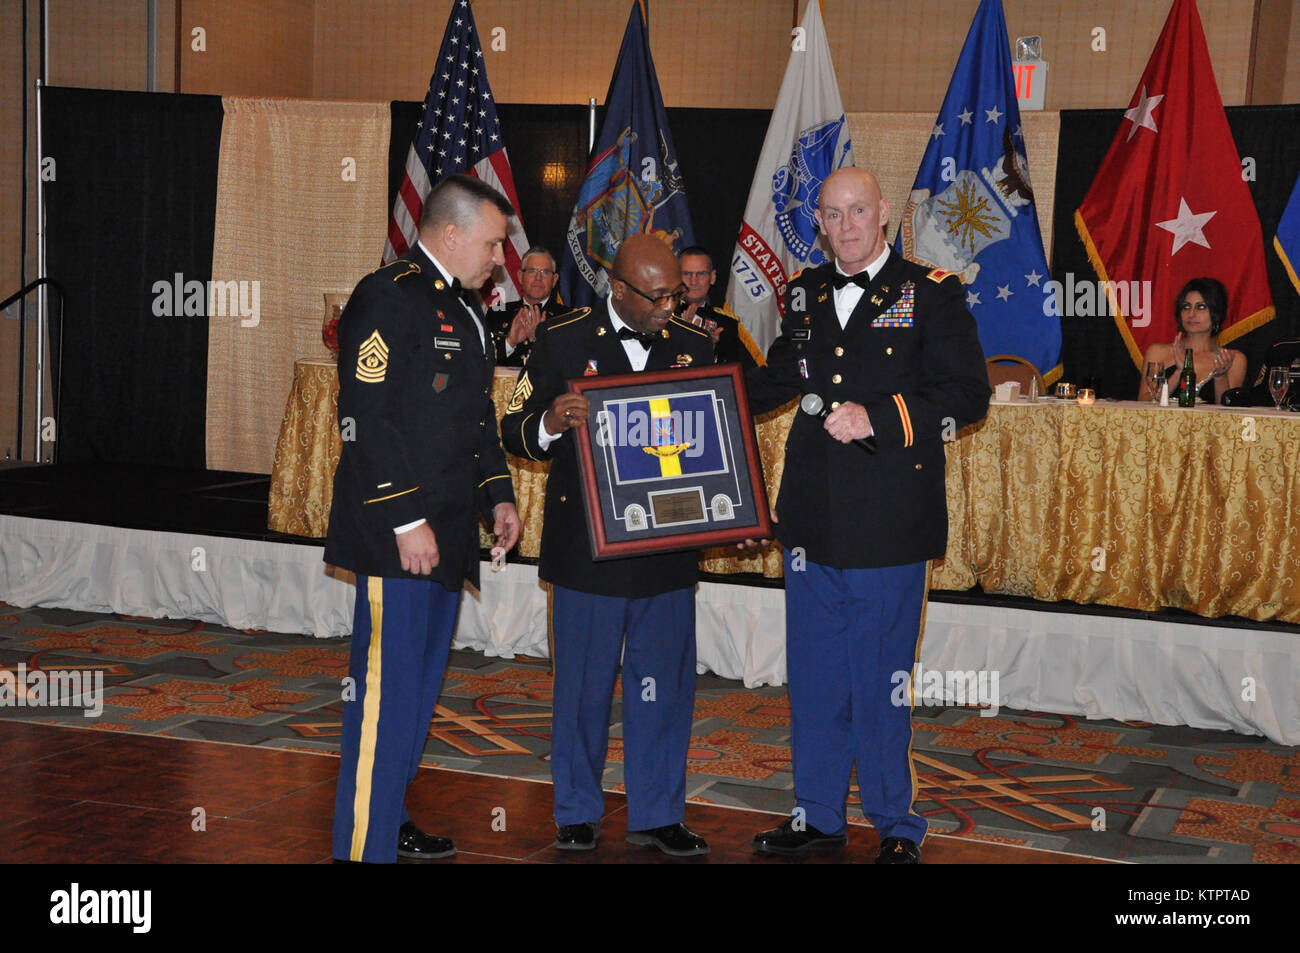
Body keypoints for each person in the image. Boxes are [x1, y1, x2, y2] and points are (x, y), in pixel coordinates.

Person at [744, 167, 990, 864]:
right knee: (816, 677)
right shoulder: (805, 292)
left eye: (858, 210)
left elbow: (968, 394)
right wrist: (692, 385)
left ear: (883, 212)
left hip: (889, 517)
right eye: (832, 213)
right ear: (817, 222)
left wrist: (879, 417)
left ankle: (894, 823)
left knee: (880, 679)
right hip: (813, 517)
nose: (847, 224)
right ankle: (816, 812)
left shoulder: (931, 293)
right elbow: (777, 379)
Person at [324, 174, 522, 864]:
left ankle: (391, 816)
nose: (500, 257)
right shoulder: (389, 296)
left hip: (446, 533)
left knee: (415, 692)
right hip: (398, 536)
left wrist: (498, 494)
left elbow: (476, 418)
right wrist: (406, 518)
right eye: (494, 243)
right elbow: (364, 417)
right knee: (383, 698)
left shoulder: (465, 308)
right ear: (452, 233)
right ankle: (362, 848)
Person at [499, 233, 715, 857]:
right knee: (583, 689)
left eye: (676, 293)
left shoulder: (695, 346)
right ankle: (576, 810)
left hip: (667, 552)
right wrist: (549, 421)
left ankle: (658, 812)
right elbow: (513, 428)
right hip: (586, 551)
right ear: (616, 288)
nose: (669, 307)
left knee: (664, 690)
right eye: (656, 296)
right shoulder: (561, 339)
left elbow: (722, 432)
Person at [1136, 278, 1245, 404]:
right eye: (1186, 307)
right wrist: (1178, 373)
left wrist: (1220, 376)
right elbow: (1143, 403)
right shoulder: (1158, 352)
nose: (1191, 314)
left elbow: (1229, 413)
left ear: (1216, 313)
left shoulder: (1232, 358)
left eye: (1201, 307)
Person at [677, 245, 762, 371]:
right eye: (687, 274)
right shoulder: (662, 318)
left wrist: (711, 348)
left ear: (712, 277)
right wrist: (681, 336)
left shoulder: (727, 323)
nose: (693, 281)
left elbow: (741, 374)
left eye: (701, 274)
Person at [490, 246, 565, 366]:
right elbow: (480, 361)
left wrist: (539, 340)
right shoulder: (497, 313)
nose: (538, 278)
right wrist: (510, 342)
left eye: (545, 272)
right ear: (520, 277)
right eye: (532, 271)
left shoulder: (569, 318)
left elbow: (573, 366)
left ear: (554, 280)